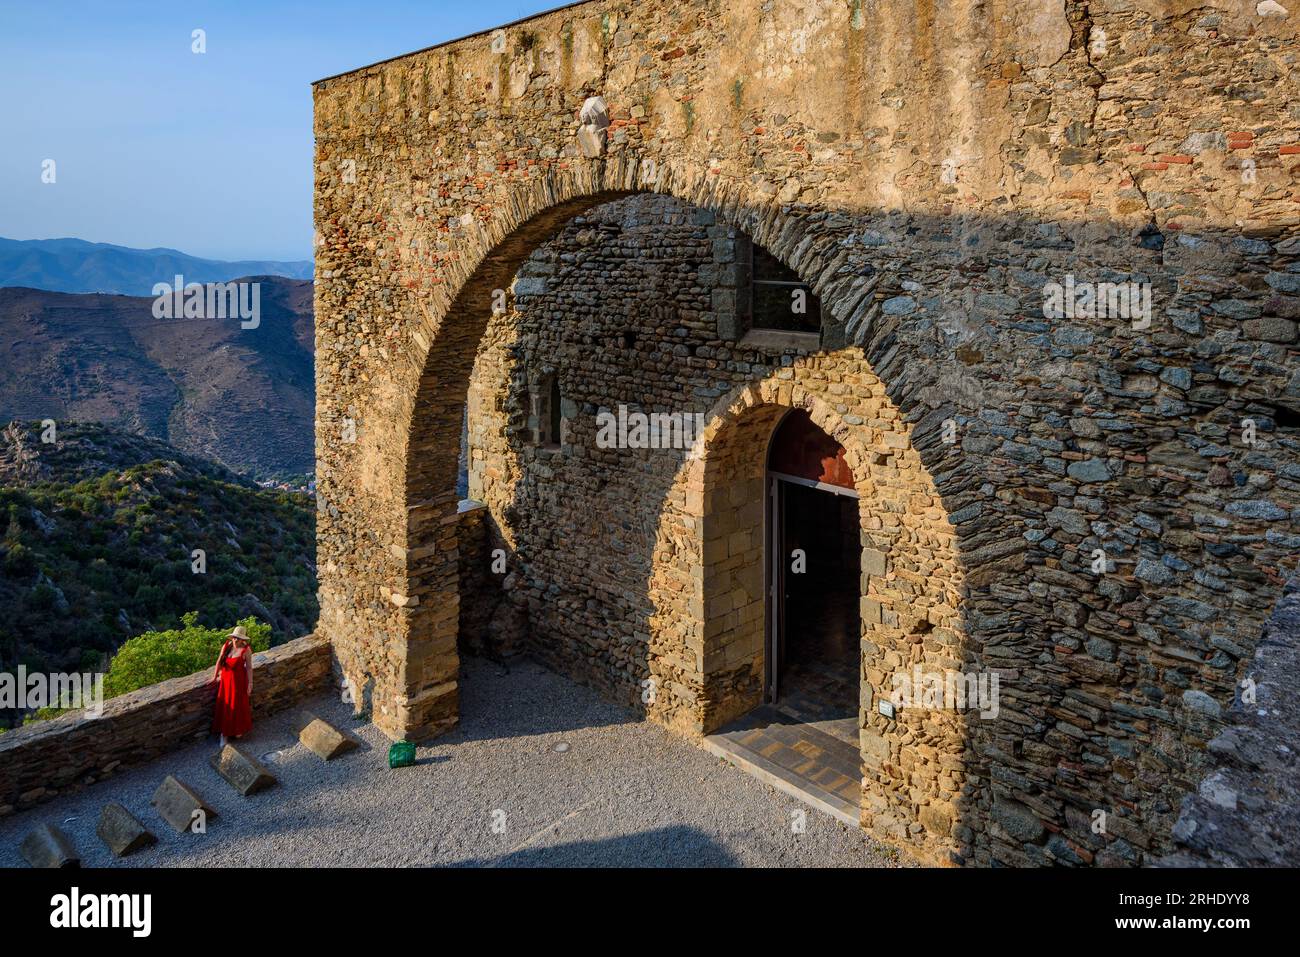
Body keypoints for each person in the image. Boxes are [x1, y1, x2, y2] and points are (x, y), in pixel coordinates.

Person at [212, 625, 253, 747]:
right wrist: (215, 677)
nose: (235, 640)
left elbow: (249, 668)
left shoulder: (246, 650)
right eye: (234, 637)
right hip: (225, 682)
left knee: (237, 707)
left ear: (242, 640)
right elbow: (219, 661)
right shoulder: (226, 646)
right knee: (226, 707)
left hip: (238, 682)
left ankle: (236, 730)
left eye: (238, 638)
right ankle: (224, 735)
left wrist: (250, 683)